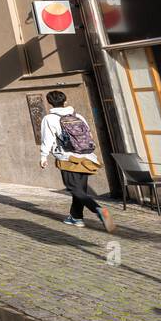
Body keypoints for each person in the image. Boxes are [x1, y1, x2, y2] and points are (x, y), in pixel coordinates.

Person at [40, 90, 114, 231]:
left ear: (49, 103)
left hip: (67, 158)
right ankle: (76, 218)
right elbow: (89, 134)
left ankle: (99, 210)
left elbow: (47, 139)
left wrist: (43, 156)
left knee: (74, 188)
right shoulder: (77, 116)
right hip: (86, 157)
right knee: (80, 190)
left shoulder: (49, 119)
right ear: (65, 101)